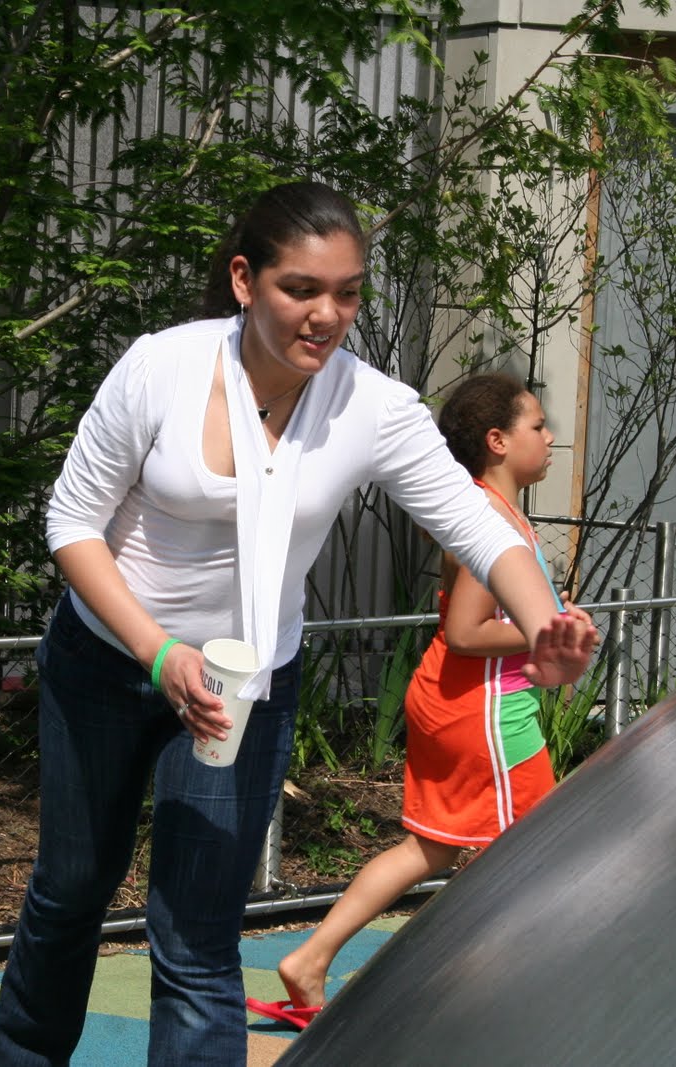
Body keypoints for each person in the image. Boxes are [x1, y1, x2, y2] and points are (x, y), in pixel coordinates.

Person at [0, 182, 596, 1066]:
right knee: (71, 893)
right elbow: (72, 523)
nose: (327, 314)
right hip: (111, 659)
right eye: (301, 290)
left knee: (197, 935)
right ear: (244, 279)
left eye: (347, 293)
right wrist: (157, 652)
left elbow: (475, 525)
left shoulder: (372, 405)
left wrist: (544, 622)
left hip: (246, 684)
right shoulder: (162, 367)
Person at [271, 372, 586, 1022]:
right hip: (487, 715)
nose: (551, 436)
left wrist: (548, 618)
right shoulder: (486, 520)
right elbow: (466, 631)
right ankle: (492, 991)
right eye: (537, 425)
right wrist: (541, 631)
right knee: (551, 844)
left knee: (432, 849)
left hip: (457, 702)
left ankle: (312, 959)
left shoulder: (486, 509)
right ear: (498, 441)